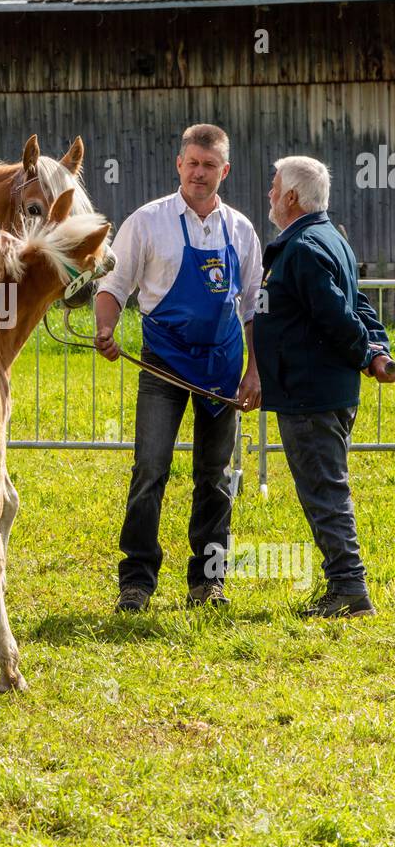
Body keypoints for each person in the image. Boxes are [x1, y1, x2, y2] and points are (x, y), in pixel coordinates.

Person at [94, 124, 263, 611]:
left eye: (209, 165)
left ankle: (208, 581)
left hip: (223, 371)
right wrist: (105, 330)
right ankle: (137, 582)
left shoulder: (241, 229)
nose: (199, 173)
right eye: (192, 162)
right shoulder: (147, 222)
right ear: (178, 164)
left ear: (224, 171)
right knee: (150, 469)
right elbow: (113, 286)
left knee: (214, 476)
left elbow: (253, 308)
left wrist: (254, 372)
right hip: (163, 365)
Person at [254, 156, 394, 618]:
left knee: (325, 492)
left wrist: (366, 353)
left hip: (310, 393)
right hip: (320, 390)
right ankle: (346, 585)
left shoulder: (305, 247)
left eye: (275, 189)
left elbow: (337, 314)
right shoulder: (331, 238)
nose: (270, 196)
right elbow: (360, 308)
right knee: (326, 488)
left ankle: (350, 590)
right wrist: (377, 350)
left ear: (292, 196)